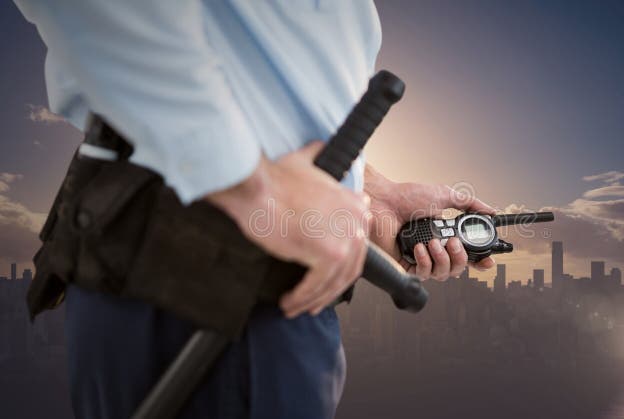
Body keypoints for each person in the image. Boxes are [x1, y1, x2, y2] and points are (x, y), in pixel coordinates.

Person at [15, 1, 495, 418]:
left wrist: (372, 197)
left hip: (274, 285)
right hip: (196, 270)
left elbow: (273, 85)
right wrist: (249, 187)